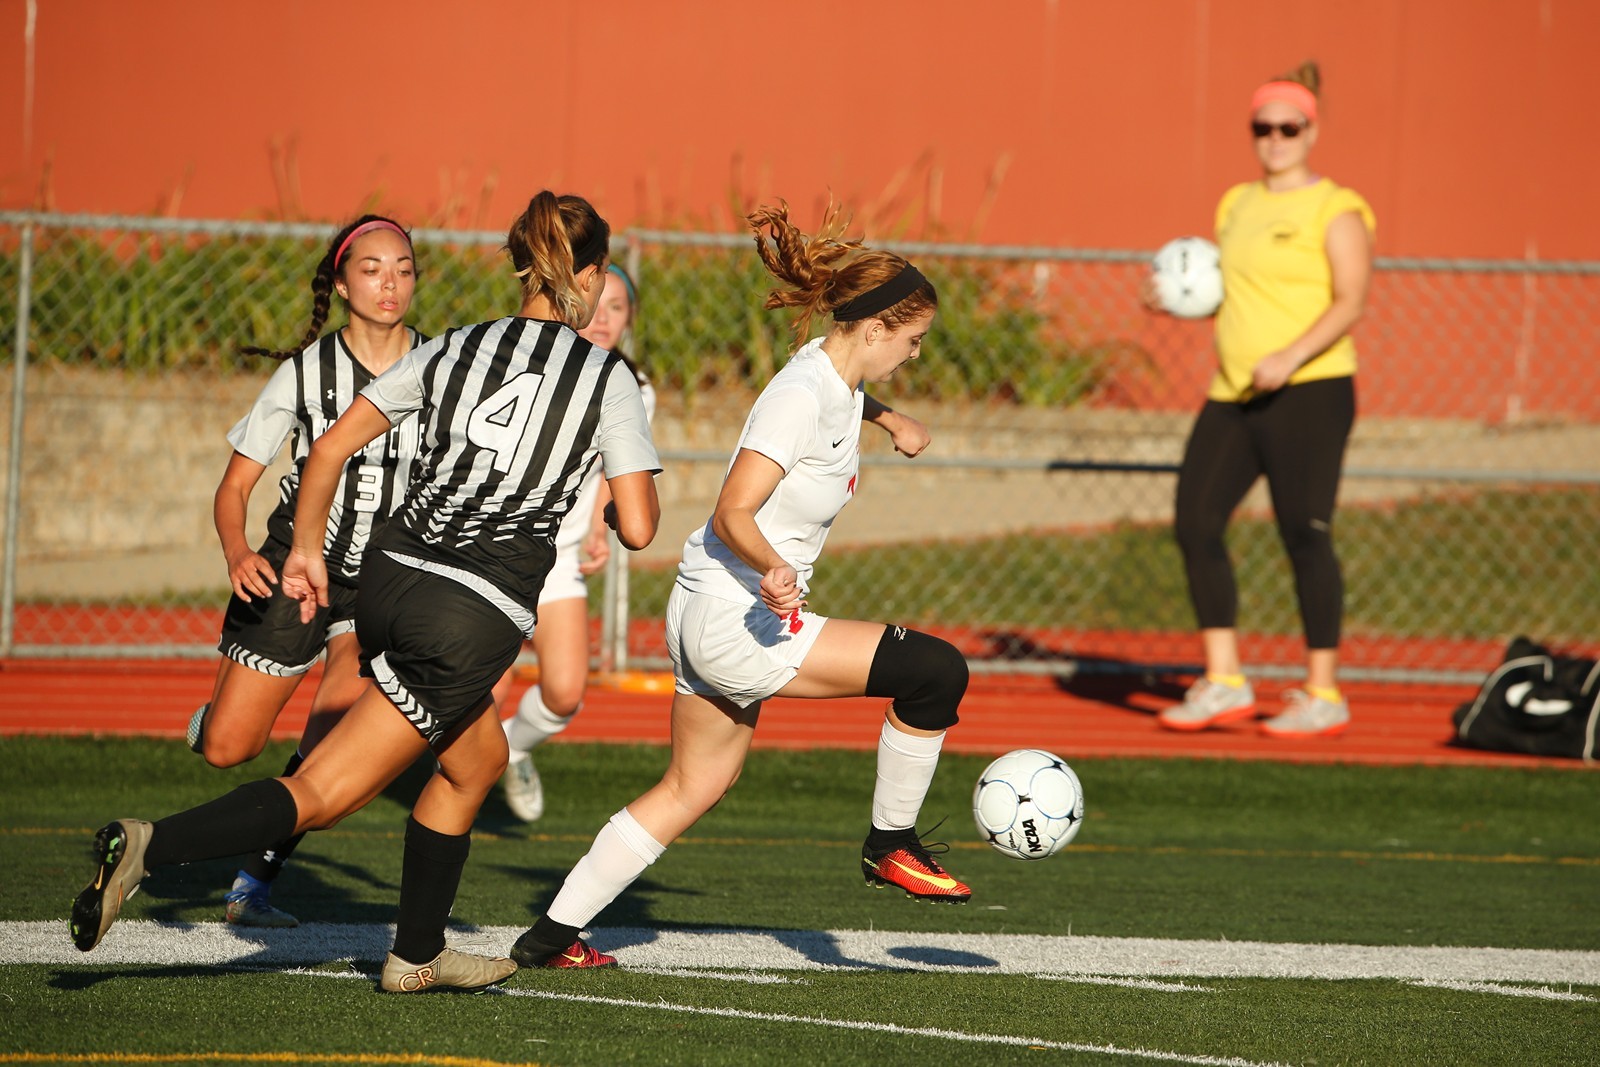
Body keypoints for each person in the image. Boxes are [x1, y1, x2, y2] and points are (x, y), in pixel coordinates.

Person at [69, 192, 662, 993]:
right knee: (321, 788)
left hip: (384, 582)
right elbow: (639, 527)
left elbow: (330, 449)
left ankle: (416, 952)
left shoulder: (455, 346)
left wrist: (308, 548)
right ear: (588, 278)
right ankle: (149, 844)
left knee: (475, 760)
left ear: (521, 266)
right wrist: (613, 493)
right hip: (469, 611)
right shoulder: (605, 375)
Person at [507, 199, 972, 971]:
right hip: (742, 617)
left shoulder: (836, 376)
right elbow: (732, 513)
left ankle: (547, 937)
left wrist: (891, 420)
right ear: (875, 327)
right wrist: (775, 568)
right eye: (913, 340)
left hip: (706, 608)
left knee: (692, 786)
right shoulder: (802, 395)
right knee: (936, 671)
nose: (916, 355)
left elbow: (848, 397)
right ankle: (890, 843)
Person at [185, 214, 426, 929]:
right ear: (343, 282)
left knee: (328, 763)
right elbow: (234, 489)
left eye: (405, 269)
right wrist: (238, 552)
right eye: (374, 269)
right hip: (298, 565)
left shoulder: (438, 365)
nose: (391, 283)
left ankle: (253, 884)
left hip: (378, 580)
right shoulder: (305, 373)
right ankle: (211, 719)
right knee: (230, 748)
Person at [1147, 61, 1375, 738]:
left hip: (1311, 389)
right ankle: (1224, 681)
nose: (1275, 138)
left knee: (1304, 532)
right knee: (1195, 519)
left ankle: (1323, 690)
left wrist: (1291, 356)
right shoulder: (1236, 204)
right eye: (1263, 127)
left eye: (1289, 126)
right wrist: (1175, 301)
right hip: (1236, 391)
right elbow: (1232, 294)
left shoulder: (1336, 207)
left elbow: (1351, 299)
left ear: (1311, 130)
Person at [495, 263, 655, 822]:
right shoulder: (531, 366)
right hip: (499, 551)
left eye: (619, 309)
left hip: (556, 562)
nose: (605, 318)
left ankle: (509, 751)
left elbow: (620, 466)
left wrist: (599, 525)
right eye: (599, 302)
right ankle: (448, 805)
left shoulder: (633, 387)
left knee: (564, 693)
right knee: (483, 691)